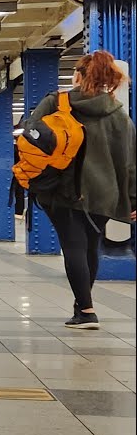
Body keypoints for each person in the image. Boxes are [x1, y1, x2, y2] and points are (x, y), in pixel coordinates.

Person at [26, 50, 136, 330]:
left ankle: (86, 310)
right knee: (90, 246)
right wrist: (132, 198)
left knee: (72, 246)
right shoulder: (119, 115)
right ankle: (82, 306)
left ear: (77, 74)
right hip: (104, 192)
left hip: (62, 188)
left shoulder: (56, 102)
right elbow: (129, 161)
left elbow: (30, 134)